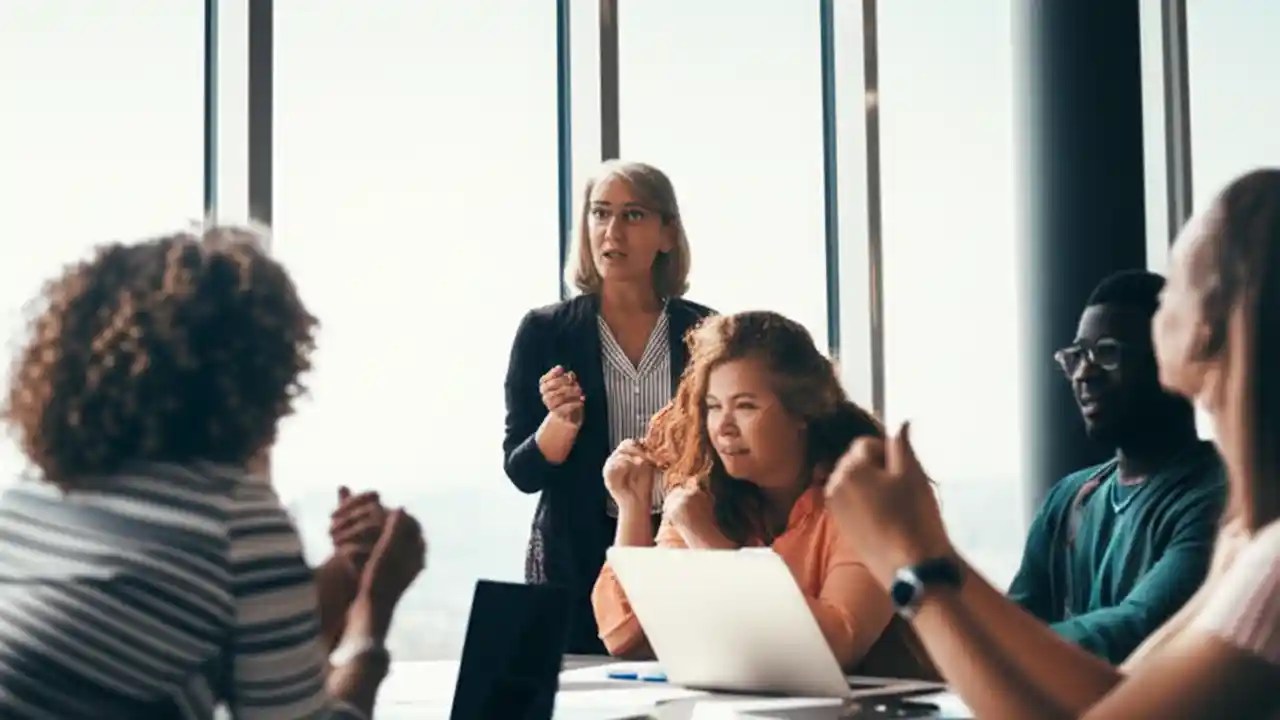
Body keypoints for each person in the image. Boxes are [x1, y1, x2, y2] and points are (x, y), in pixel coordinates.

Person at [824, 168, 1280, 719]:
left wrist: (915, 566)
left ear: (1215, 319)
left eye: (1178, 280)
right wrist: (931, 556)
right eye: (1077, 356)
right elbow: (1109, 695)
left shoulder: (1268, 566)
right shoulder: (1245, 543)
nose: (1085, 372)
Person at [0, 228, 426, 719]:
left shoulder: (34, 499)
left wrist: (344, 572)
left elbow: (197, 631)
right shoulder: (230, 516)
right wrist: (372, 617)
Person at [592, 311, 932, 676]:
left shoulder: (865, 498)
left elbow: (836, 648)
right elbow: (626, 637)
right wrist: (633, 508)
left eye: (745, 406)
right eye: (713, 406)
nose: (723, 427)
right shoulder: (707, 496)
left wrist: (709, 542)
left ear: (802, 411)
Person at [503, 160, 714, 654]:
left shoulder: (707, 332)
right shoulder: (544, 331)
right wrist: (559, 426)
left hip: (681, 551)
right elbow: (522, 472)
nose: (611, 231)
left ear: (666, 234)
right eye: (601, 214)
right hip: (575, 563)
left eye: (633, 215)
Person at [1006, 270, 1226, 662]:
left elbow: (1136, 627)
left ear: (1170, 360)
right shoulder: (1069, 498)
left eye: (1107, 353)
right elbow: (1015, 619)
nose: (1083, 374)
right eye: (1076, 357)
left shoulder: (1218, 495)